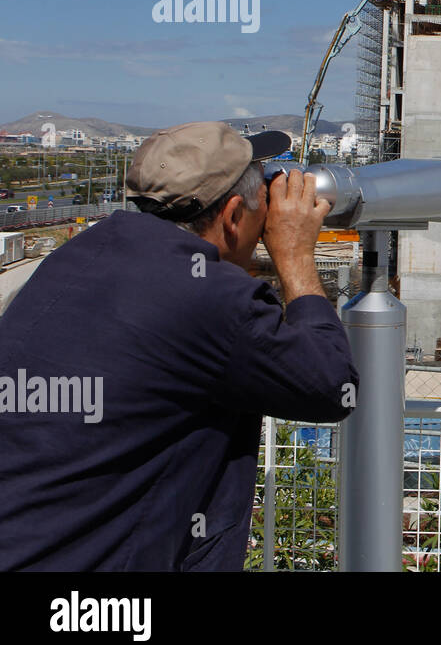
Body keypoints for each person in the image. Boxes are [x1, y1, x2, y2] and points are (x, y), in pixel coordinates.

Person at [0, 121, 358, 571]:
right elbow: (329, 383)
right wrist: (296, 255)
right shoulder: (208, 296)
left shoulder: (77, 256)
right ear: (232, 216)